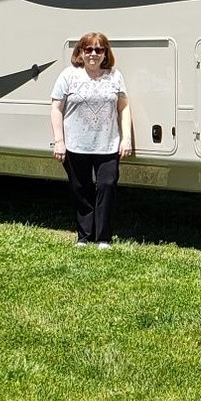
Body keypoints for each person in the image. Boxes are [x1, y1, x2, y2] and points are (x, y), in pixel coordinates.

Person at [49, 32, 133, 247]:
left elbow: (124, 107)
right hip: (76, 145)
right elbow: (56, 108)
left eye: (99, 49)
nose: (93, 54)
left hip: (108, 145)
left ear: (106, 53)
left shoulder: (115, 76)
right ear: (80, 53)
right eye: (88, 50)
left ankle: (103, 237)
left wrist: (126, 139)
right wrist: (59, 140)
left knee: (106, 186)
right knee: (81, 190)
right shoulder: (68, 76)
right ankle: (84, 236)